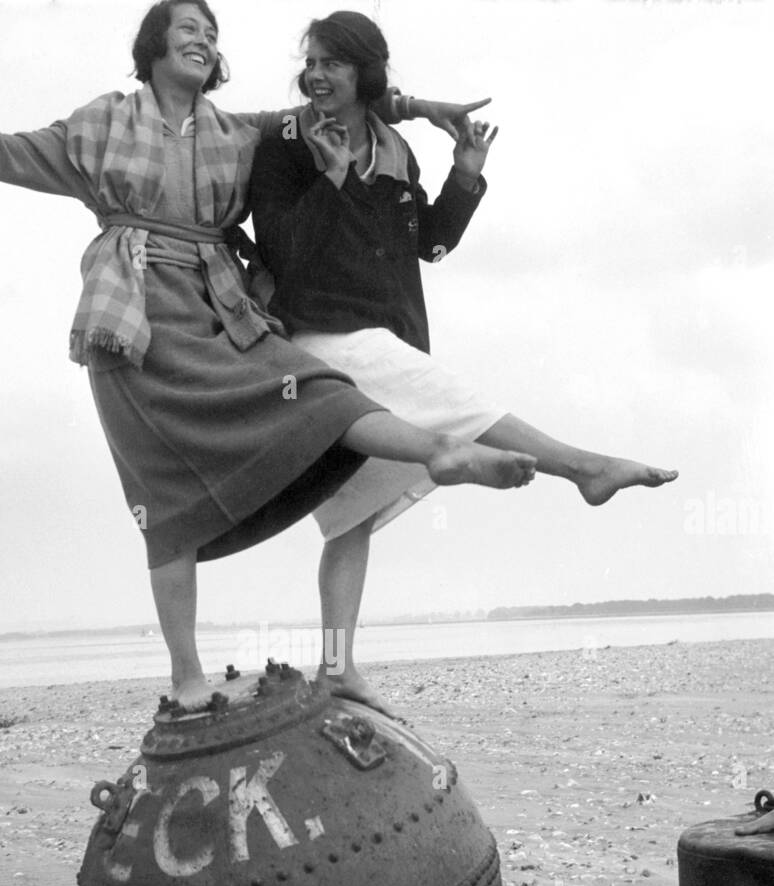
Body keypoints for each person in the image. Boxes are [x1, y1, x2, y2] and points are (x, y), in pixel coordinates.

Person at [0, 4, 536, 711]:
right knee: (164, 504)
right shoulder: (101, 123)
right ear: (153, 48)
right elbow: (1, 151)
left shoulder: (236, 133)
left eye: (211, 34)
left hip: (221, 311)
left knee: (318, 388)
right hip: (132, 321)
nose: (203, 40)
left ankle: (441, 449)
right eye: (188, 31)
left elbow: (334, 102)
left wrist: (421, 108)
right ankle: (186, 678)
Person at [250, 10, 679, 714]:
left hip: (388, 340)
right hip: (322, 336)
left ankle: (335, 668)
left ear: (366, 73)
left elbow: (433, 244)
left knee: (350, 517)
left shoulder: (394, 150)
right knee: (462, 406)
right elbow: (285, 252)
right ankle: (583, 468)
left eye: (333, 62)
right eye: (313, 61)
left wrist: (466, 176)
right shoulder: (284, 146)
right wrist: (329, 181)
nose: (317, 74)